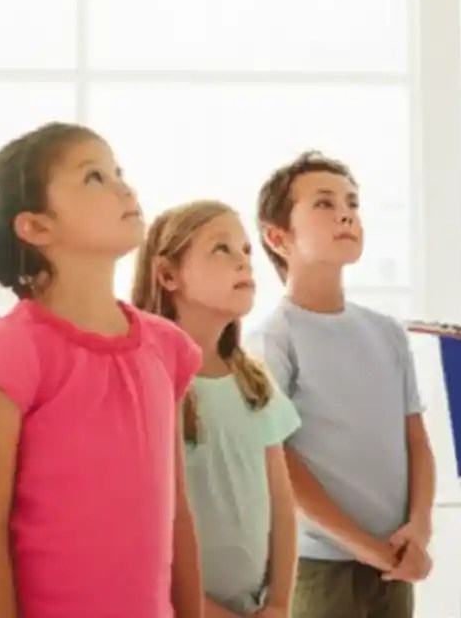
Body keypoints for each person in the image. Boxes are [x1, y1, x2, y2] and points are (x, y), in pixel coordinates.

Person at [0, 122, 204, 617]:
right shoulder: (13, 352)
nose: (124, 186)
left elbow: (176, 513)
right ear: (37, 227)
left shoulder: (165, 347)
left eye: (118, 172)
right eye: (94, 176)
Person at [248, 151, 435, 618]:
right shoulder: (275, 338)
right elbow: (278, 460)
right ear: (278, 237)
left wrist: (420, 528)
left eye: (352, 202)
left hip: (394, 561)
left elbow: (416, 440)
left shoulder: (387, 333)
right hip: (317, 566)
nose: (346, 213)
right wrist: (362, 545)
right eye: (324, 204)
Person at [132, 200, 300, 618]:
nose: (244, 262)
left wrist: (279, 603)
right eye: (221, 249)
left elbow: (281, 503)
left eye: (245, 250)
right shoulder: (148, 383)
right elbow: (138, 527)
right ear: (168, 275)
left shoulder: (254, 383)